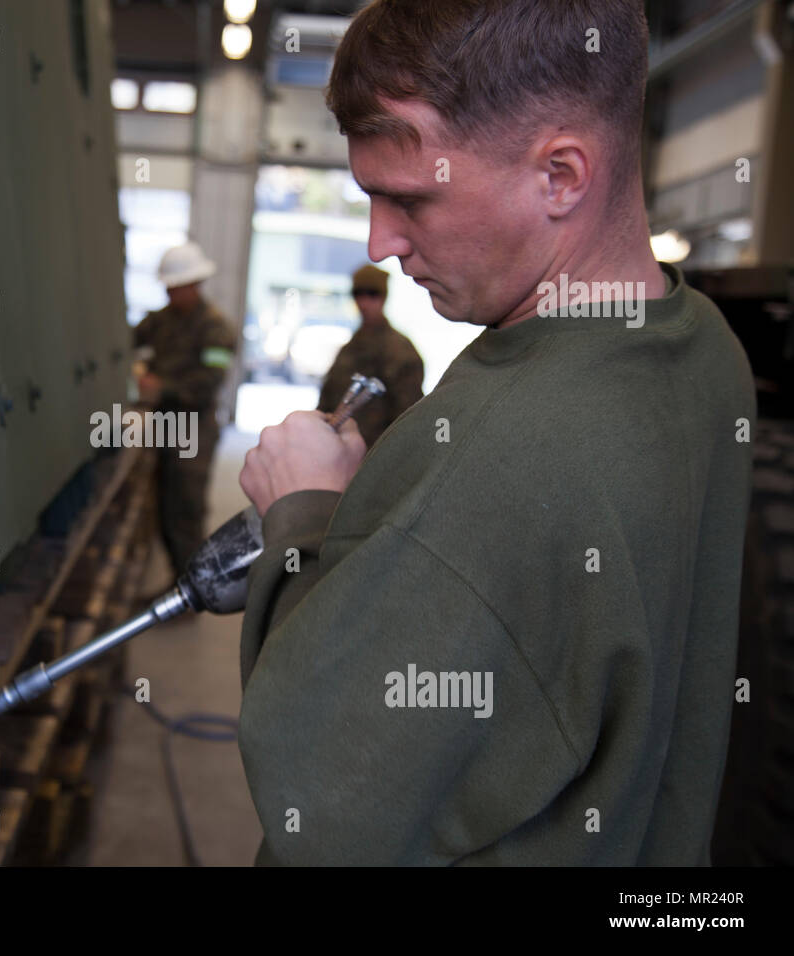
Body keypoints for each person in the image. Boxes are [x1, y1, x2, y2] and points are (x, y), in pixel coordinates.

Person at [236, 0, 755, 865]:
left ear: (560, 175)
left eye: (408, 199)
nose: (381, 242)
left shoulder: (504, 451)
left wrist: (306, 519)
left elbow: (321, 798)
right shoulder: (702, 348)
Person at [133, 241, 237, 576]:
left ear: (195, 284)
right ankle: (178, 583)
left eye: (177, 287)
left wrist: (161, 387)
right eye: (168, 288)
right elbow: (127, 343)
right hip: (165, 424)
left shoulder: (215, 328)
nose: (171, 295)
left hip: (195, 429)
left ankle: (193, 591)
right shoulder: (160, 321)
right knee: (164, 508)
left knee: (186, 512)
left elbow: (209, 384)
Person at [317, 264, 424, 446]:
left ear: (383, 297)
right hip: (339, 452)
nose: (364, 303)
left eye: (372, 294)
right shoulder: (351, 347)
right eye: (358, 294)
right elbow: (328, 399)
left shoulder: (399, 350)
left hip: (376, 456)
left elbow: (409, 417)